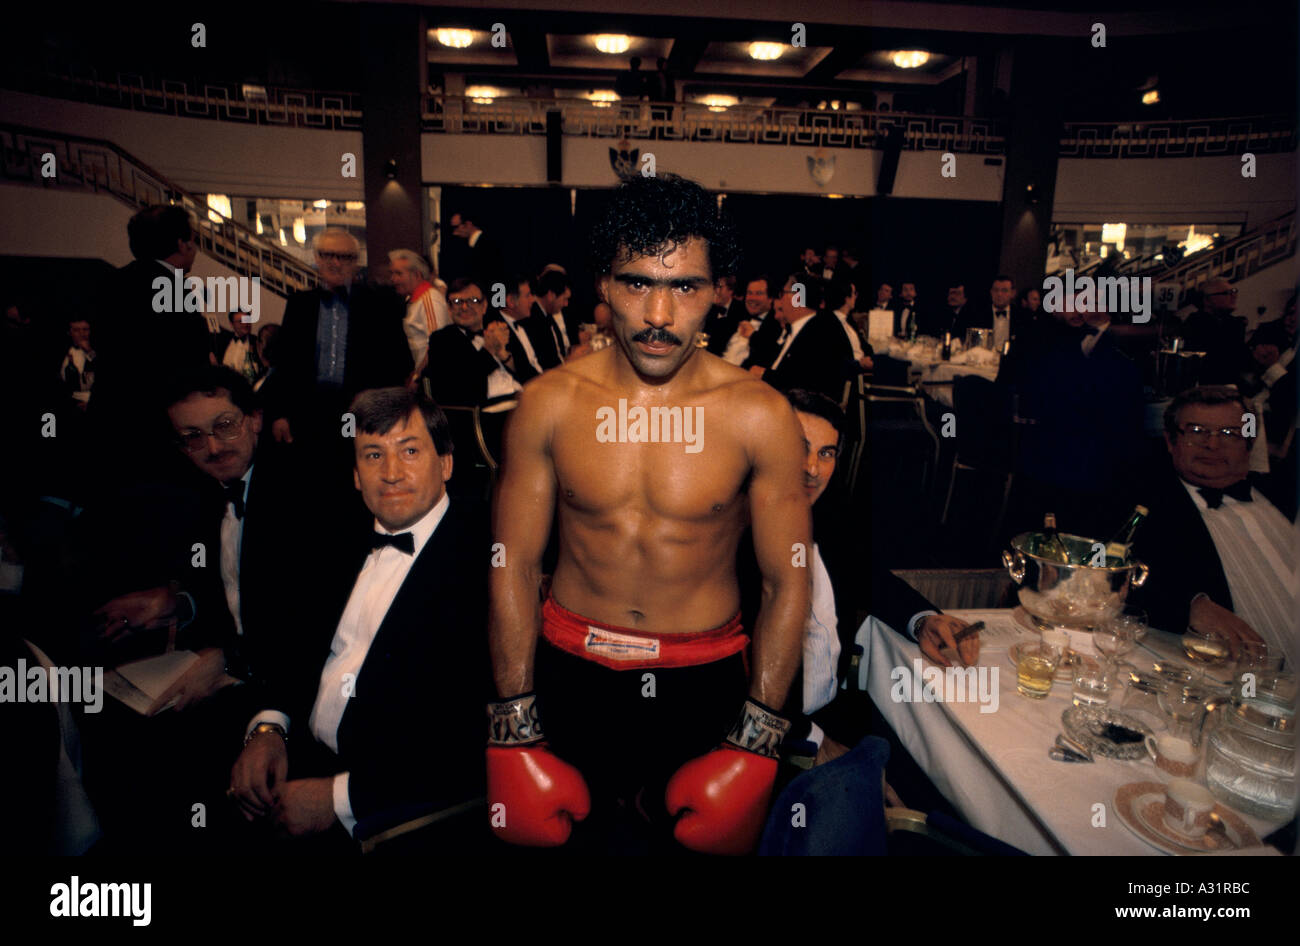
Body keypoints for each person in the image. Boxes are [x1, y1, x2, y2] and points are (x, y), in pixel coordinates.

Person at [487, 173, 811, 855]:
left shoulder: (761, 415)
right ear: (603, 285)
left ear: (719, 292)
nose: (660, 314)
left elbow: (788, 581)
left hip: (704, 686)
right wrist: (513, 725)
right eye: (637, 282)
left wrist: (758, 741)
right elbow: (513, 562)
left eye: (686, 286)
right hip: (570, 676)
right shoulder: (547, 404)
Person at [228, 388, 488, 847]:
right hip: (299, 757)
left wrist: (339, 798)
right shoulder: (332, 541)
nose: (390, 473)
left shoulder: (485, 567)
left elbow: (470, 736)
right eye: (373, 455)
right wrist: (270, 727)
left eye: (410, 450)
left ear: (445, 464)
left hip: (392, 807)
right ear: (355, 474)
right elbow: (294, 650)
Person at [778, 390, 977, 766]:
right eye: (799, 447)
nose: (813, 468)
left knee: (943, 757)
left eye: (826, 453)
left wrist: (923, 620)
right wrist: (813, 741)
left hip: (835, 707)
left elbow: (868, 576)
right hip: (780, 736)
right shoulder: (730, 541)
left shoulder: (826, 515)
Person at [1129, 386, 1290, 660]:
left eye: (1229, 434)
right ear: (1170, 441)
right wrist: (1190, 605)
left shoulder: (1287, 495)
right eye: (1195, 431)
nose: (1212, 445)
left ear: (1249, 443)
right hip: (1247, 681)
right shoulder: (1145, 503)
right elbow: (1106, 567)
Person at [264, 229, 411, 465]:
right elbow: (284, 365)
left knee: (352, 476)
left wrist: (372, 400)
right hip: (307, 412)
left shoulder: (379, 305)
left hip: (357, 412)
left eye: (344, 257)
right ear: (317, 258)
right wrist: (280, 414)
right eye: (328, 255)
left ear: (355, 263)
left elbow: (400, 364)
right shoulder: (299, 305)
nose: (335, 263)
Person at [751, 274, 852, 401]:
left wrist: (764, 375)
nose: (780, 300)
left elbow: (807, 383)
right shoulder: (799, 328)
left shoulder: (822, 331)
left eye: (783, 293)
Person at [423, 278, 523, 406]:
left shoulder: (497, 331)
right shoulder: (441, 340)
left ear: (484, 305)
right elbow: (461, 388)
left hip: (519, 398)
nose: (465, 307)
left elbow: (527, 373)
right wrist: (488, 350)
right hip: (486, 411)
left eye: (473, 300)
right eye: (457, 301)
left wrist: (502, 354)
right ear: (449, 308)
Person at [389, 248, 450, 385]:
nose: (393, 279)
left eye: (398, 274)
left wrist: (417, 376)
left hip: (433, 379)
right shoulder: (414, 300)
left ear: (417, 275)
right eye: (392, 273)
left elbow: (437, 345)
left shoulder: (430, 299)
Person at [1180, 278, 1249, 385]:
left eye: (1234, 291)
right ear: (1207, 300)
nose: (1233, 296)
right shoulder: (1196, 323)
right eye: (1226, 293)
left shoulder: (1235, 324)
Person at [953, 275, 1033, 350]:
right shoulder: (977, 313)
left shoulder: (1022, 316)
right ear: (991, 292)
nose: (999, 294)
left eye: (1004, 290)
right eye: (996, 290)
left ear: (1012, 293)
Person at [702, 274, 746, 356]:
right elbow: (703, 335)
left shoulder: (741, 311)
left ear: (730, 290)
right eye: (714, 286)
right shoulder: (708, 309)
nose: (715, 291)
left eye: (719, 287)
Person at [213, 310, 261, 384]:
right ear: (232, 324)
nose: (245, 324)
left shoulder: (257, 343)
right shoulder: (223, 339)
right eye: (240, 321)